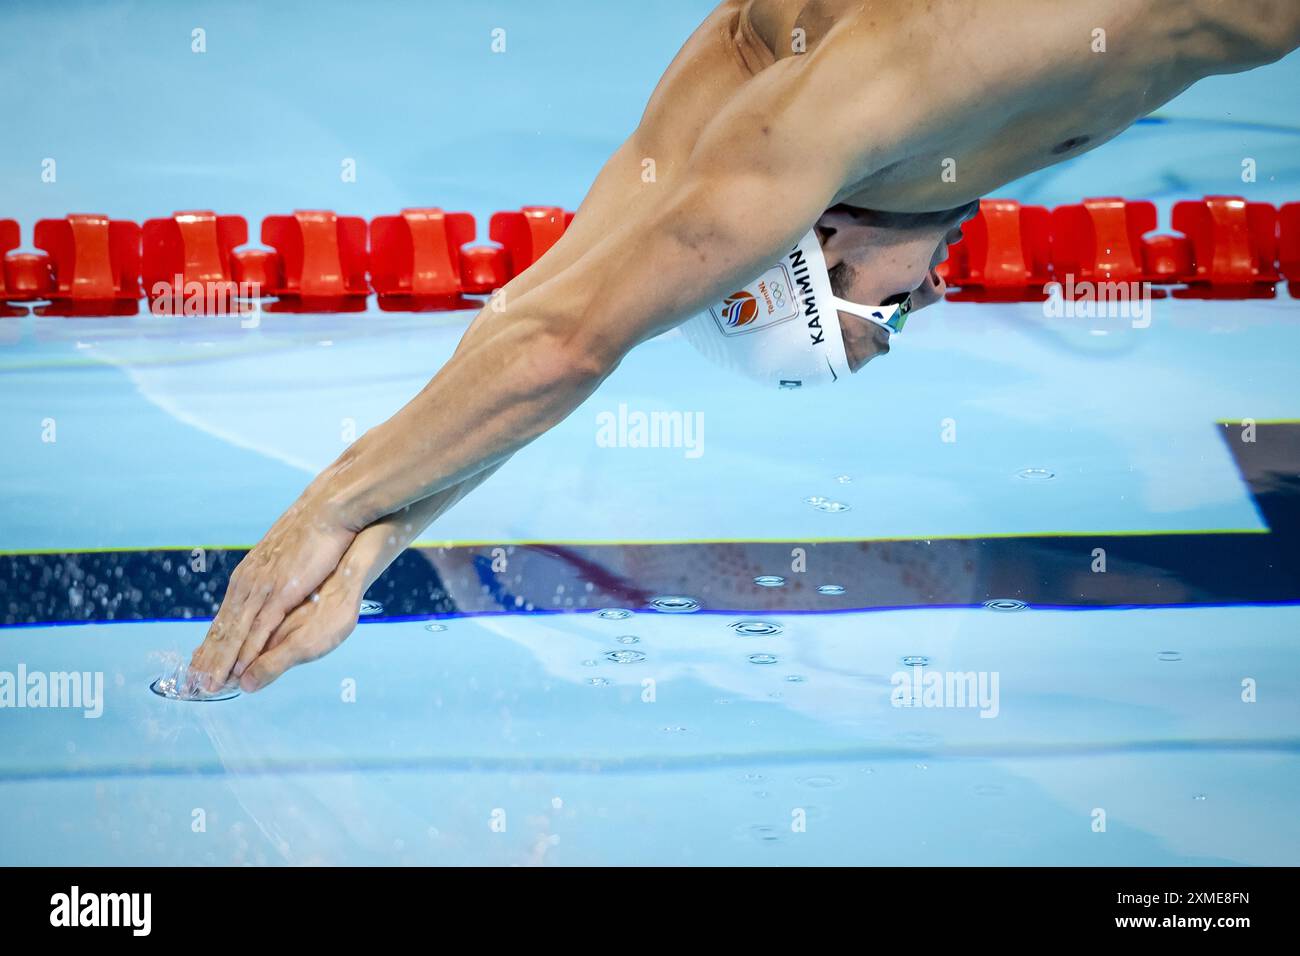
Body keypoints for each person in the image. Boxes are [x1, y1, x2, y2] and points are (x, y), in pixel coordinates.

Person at [188, 0, 1300, 692]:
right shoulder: (750, 65)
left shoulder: (805, 135)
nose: (937, 294)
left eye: (890, 315)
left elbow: (567, 347)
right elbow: (538, 316)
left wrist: (321, 512)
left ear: (813, 246)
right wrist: (375, 544)